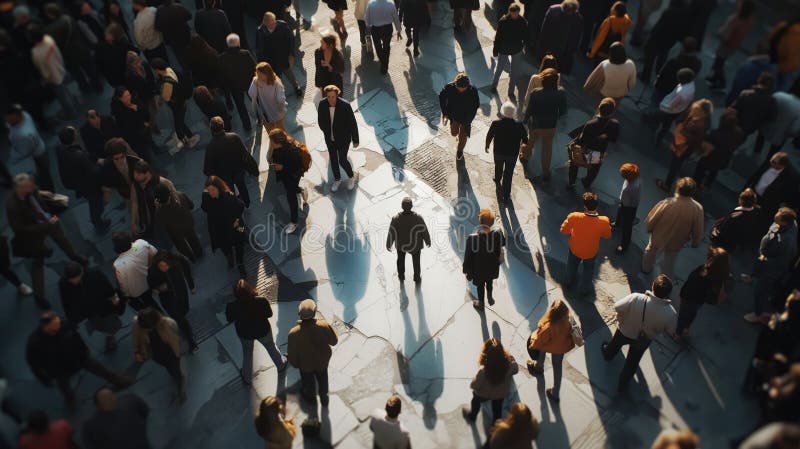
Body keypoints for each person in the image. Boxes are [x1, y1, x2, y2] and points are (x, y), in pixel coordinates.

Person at [7, 174, 88, 309]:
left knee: (62, 239)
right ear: (20, 189)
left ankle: (74, 256)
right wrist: (45, 225)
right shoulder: (12, 206)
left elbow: (34, 195)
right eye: (29, 187)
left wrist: (40, 193)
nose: (33, 187)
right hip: (35, 233)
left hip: (47, 220)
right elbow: (19, 228)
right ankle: (39, 296)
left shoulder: (31, 189)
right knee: (38, 262)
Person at [26, 311, 133, 408]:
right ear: (45, 326)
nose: (59, 326)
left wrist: (84, 348)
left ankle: (117, 380)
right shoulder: (35, 343)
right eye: (55, 325)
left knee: (98, 368)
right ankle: (70, 399)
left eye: (58, 323)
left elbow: (75, 336)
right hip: (59, 369)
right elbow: (33, 363)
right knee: (64, 386)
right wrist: (43, 378)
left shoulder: (63, 324)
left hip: (78, 357)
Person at [601, 275, 677, 393]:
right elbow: (670, 330)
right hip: (644, 339)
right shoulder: (671, 313)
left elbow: (617, 307)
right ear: (668, 294)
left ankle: (608, 354)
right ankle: (623, 384)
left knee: (614, 345)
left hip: (625, 330)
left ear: (653, 287)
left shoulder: (637, 298)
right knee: (632, 362)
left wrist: (621, 318)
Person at [226, 279, 286, 384]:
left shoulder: (231, 306)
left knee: (247, 353)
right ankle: (280, 366)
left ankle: (247, 378)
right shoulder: (261, 301)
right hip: (263, 330)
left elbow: (229, 319)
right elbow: (269, 314)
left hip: (245, 334)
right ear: (249, 289)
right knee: (270, 347)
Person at [642, 177, 704, 279]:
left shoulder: (667, 202)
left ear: (678, 188)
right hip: (677, 241)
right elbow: (698, 230)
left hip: (658, 236)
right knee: (669, 261)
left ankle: (645, 269)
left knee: (650, 252)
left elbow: (653, 218)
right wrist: (695, 242)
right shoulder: (697, 209)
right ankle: (664, 279)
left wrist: (649, 228)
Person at [744, 208, 798, 323]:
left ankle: (758, 314)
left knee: (760, 291)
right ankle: (751, 277)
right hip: (766, 257)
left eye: (777, 221)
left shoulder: (787, 241)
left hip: (770, 269)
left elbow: (781, 262)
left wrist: (764, 260)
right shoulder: (789, 223)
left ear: (785, 222)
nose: (775, 222)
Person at [59, 262, 124, 353]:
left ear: (81, 273)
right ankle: (106, 332)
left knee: (108, 323)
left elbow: (107, 286)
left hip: (100, 305)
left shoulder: (94, 274)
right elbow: (66, 301)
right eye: (71, 280)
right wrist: (71, 318)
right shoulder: (63, 283)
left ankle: (110, 336)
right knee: (97, 322)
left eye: (75, 279)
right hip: (84, 309)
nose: (74, 282)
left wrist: (113, 296)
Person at [56, 126, 109, 232]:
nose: (77, 133)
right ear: (73, 137)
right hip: (88, 184)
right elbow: (94, 172)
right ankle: (98, 223)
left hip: (75, 181)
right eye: (75, 132)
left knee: (93, 200)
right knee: (96, 203)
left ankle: (97, 220)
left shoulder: (60, 148)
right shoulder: (79, 156)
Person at [287, 299, 339, 406]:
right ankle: (324, 397)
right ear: (315, 311)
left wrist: (297, 364)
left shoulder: (293, 333)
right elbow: (334, 341)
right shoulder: (323, 325)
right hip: (322, 362)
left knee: (308, 382)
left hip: (305, 366)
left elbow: (292, 355)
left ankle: (311, 397)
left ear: (299, 314)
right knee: (323, 378)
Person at [656, 99, 713, 193]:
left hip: (685, 145)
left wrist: (683, 131)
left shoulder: (701, 122)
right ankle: (671, 181)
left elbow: (696, 138)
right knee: (677, 163)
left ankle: (667, 185)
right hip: (686, 145)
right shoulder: (703, 119)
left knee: (675, 164)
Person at [560, 192, 612, 293]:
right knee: (588, 270)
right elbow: (607, 235)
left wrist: (573, 231)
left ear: (584, 206)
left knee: (571, 265)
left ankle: (568, 281)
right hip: (591, 252)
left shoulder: (574, 216)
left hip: (575, 249)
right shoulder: (604, 221)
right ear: (597, 206)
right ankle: (584, 290)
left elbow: (563, 230)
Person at [674, 247, 730, 340]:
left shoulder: (702, 271)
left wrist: (682, 294)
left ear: (711, 260)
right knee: (692, 314)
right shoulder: (717, 278)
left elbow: (689, 282)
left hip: (688, 298)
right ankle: (686, 328)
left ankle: (678, 334)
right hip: (699, 301)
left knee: (682, 316)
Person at [148, 250, 198, 352]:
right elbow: (150, 283)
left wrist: (191, 285)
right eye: (161, 266)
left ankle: (184, 326)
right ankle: (190, 340)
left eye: (166, 266)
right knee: (179, 318)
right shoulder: (153, 271)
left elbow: (186, 269)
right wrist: (158, 288)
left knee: (184, 310)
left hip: (180, 291)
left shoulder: (177, 259)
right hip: (167, 298)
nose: (164, 268)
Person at [526, 299, 576, 401]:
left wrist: (532, 345)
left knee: (542, 348)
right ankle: (555, 393)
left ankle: (538, 367)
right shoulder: (568, 320)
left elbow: (539, 340)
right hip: (561, 347)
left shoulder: (549, 326)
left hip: (551, 344)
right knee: (557, 367)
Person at [204, 116, 259, 208]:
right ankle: (247, 203)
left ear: (211, 129)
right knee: (242, 186)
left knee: (230, 192)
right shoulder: (234, 137)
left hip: (224, 176)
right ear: (223, 125)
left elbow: (207, 170)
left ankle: (236, 206)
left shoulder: (211, 146)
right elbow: (244, 154)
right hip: (238, 171)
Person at [132, 307, 185, 402]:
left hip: (170, 352)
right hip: (154, 353)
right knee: (168, 366)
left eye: (150, 327)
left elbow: (175, 338)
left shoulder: (169, 323)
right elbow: (135, 337)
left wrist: (177, 353)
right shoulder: (137, 323)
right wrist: (136, 351)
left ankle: (179, 383)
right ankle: (175, 375)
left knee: (175, 369)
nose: (148, 330)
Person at [523, 68, 567, 182]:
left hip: (536, 125)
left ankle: (525, 157)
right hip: (550, 126)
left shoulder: (535, 93)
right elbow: (563, 111)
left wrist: (525, 120)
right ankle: (545, 172)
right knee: (547, 149)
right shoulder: (561, 93)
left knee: (530, 141)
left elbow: (529, 110)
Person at [567, 98, 619, 190]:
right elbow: (614, 139)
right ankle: (587, 182)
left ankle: (571, 182)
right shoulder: (614, 124)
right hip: (598, 152)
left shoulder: (590, 123)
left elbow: (582, 140)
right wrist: (605, 137)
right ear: (612, 111)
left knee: (574, 163)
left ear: (599, 108)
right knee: (594, 169)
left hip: (586, 151)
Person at [462, 338, 518, 424]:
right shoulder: (509, 365)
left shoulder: (483, 371)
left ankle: (472, 415)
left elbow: (474, 385)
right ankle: (495, 427)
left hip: (484, 394)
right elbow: (516, 369)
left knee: (476, 399)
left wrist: (473, 383)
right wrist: (512, 359)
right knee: (497, 410)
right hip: (500, 394)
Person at [151, 58, 200, 154]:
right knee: (180, 121)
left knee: (178, 126)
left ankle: (186, 141)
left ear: (157, 70)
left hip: (178, 105)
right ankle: (189, 135)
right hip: (182, 101)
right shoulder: (171, 70)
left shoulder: (167, 83)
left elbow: (166, 98)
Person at [201, 176, 247, 277]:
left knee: (239, 245)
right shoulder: (206, 197)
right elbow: (204, 207)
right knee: (225, 246)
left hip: (233, 227)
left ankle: (240, 262)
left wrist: (237, 219)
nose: (211, 193)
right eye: (208, 190)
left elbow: (241, 206)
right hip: (219, 229)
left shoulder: (228, 196)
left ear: (219, 188)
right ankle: (230, 257)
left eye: (213, 190)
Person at [28, 26, 77, 118]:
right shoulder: (49, 40)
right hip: (60, 68)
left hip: (52, 76)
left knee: (62, 96)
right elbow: (58, 54)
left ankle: (71, 112)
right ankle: (73, 102)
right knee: (65, 89)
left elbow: (41, 68)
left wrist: (46, 78)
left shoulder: (35, 52)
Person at [705, 0, 756, 89]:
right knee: (721, 61)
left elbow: (726, 31)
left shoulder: (736, 19)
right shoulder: (748, 22)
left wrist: (720, 33)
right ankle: (714, 78)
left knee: (719, 62)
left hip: (726, 44)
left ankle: (721, 81)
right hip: (733, 45)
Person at [318, 85, 360, 191]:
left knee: (342, 159)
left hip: (343, 139)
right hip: (329, 138)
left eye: (333, 96)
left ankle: (351, 177)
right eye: (328, 97)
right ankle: (337, 179)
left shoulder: (345, 105)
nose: (331, 99)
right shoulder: (322, 104)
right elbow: (320, 121)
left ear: (337, 95)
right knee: (333, 159)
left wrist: (355, 140)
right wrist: (327, 132)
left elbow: (352, 123)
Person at [269, 129, 311, 234]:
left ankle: (294, 222)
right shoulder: (279, 148)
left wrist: (282, 167)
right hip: (285, 175)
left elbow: (297, 167)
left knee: (291, 197)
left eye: (272, 142)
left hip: (293, 176)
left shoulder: (292, 151)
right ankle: (301, 190)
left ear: (279, 142)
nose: (271, 144)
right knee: (289, 189)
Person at [463, 209, 506, 309]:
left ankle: (481, 304)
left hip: (479, 270)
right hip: (492, 268)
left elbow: (467, 258)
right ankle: (490, 297)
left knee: (480, 286)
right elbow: (503, 243)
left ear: (480, 222)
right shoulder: (498, 234)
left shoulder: (472, 239)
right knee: (489, 282)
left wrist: (466, 270)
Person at [486, 101, 528, 203]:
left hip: (498, 152)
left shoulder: (496, 123)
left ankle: (497, 178)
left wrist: (486, 145)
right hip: (512, 154)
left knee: (498, 166)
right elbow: (526, 140)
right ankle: (506, 196)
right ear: (514, 113)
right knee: (508, 175)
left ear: (502, 112)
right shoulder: (519, 125)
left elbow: (489, 136)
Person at [4, 104, 53, 191]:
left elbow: (25, 152)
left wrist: (14, 158)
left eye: (10, 119)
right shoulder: (25, 115)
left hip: (37, 157)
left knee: (44, 180)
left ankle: (52, 199)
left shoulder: (24, 134)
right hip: (39, 149)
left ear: (17, 116)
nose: (8, 121)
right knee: (45, 177)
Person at [639, 0, 690, 83]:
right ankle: (659, 75)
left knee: (650, 56)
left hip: (658, 37)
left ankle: (646, 75)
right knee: (662, 56)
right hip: (670, 40)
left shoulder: (669, 12)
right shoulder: (685, 15)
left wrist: (651, 34)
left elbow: (659, 26)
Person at [83, 388, 152, 449]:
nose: (111, 401)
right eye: (107, 400)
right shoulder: (90, 426)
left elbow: (145, 411)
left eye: (111, 398)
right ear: (98, 406)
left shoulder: (131, 400)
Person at [692, 107, 743, 189]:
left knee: (700, 170)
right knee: (714, 171)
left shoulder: (715, 134)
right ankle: (707, 185)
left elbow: (705, 143)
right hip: (723, 159)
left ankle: (695, 185)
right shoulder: (738, 133)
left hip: (710, 158)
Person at [153, 183, 204, 262]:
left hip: (175, 233)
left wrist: (157, 208)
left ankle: (191, 258)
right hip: (188, 224)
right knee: (193, 239)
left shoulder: (160, 212)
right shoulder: (180, 195)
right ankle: (199, 253)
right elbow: (191, 206)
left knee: (181, 246)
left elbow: (161, 223)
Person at [255, 12, 302, 95]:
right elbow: (259, 49)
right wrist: (262, 64)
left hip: (283, 56)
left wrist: (291, 54)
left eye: (274, 22)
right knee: (277, 77)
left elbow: (290, 39)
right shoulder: (260, 32)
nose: (274, 25)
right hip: (271, 60)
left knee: (288, 72)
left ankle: (296, 86)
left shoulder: (282, 25)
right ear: (265, 23)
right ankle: (281, 92)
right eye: (270, 24)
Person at [386, 197, 431, 283]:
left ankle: (401, 275)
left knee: (400, 260)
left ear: (401, 206)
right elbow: (424, 230)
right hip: (415, 245)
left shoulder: (395, 219)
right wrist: (427, 240)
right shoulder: (418, 218)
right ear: (411, 206)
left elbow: (391, 233)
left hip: (401, 245)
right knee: (416, 262)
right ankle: (417, 277)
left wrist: (389, 244)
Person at [744, 152, 798, 222]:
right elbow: (757, 174)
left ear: (781, 165)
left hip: (765, 204)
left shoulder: (791, 177)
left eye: (774, 162)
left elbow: (788, 196)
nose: (770, 163)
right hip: (753, 194)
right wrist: (746, 187)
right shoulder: (770, 162)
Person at [112, 231, 159, 311]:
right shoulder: (142, 244)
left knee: (146, 302)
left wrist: (126, 295)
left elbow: (124, 286)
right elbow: (155, 254)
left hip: (138, 291)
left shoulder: (117, 265)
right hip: (153, 280)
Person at [731, 72, 777, 151]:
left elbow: (734, 107)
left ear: (759, 80)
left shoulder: (746, 94)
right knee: (739, 141)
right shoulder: (771, 101)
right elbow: (771, 118)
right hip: (751, 127)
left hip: (736, 122)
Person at [651, 37, 702, 109]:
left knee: (655, 103)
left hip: (666, 89)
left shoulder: (674, 61)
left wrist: (657, 84)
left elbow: (662, 75)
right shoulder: (697, 63)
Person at [218, 33, 256, 131]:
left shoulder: (221, 58)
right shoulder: (245, 53)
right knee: (255, 101)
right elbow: (254, 68)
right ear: (238, 43)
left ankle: (247, 126)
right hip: (248, 83)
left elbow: (222, 76)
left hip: (234, 87)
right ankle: (260, 118)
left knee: (240, 107)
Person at [439, 73, 480, 161]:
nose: (461, 90)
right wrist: (445, 113)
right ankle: (458, 134)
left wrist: (469, 120)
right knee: (454, 133)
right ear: (455, 84)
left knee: (463, 136)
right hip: (454, 116)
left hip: (466, 118)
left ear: (467, 86)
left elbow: (476, 105)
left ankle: (460, 150)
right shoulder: (449, 87)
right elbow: (441, 98)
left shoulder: (473, 90)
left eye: (463, 89)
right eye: (459, 89)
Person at [709, 188, 764, 252]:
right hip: (734, 245)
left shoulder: (735, 216)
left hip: (723, 244)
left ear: (742, 201)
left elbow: (723, 231)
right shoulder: (756, 211)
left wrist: (714, 230)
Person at [131, 160, 176, 238]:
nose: (135, 176)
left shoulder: (162, 182)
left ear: (147, 173)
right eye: (134, 173)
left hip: (162, 219)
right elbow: (134, 202)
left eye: (138, 174)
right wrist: (134, 223)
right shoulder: (136, 184)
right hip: (146, 220)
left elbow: (174, 197)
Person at [535, 0, 583, 75]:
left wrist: (571, 52)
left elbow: (576, 39)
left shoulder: (577, 18)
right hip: (551, 49)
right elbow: (544, 32)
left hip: (563, 52)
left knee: (555, 73)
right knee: (545, 72)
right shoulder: (554, 11)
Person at [491, 3, 527, 99]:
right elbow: (498, 37)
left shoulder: (522, 21)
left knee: (514, 71)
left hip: (516, 49)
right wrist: (495, 50)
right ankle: (494, 86)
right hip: (504, 49)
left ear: (519, 12)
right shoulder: (503, 21)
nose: (515, 15)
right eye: (513, 13)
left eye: (516, 13)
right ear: (509, 12)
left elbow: (525, 35)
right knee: (499, 68)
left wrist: (523, 45)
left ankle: (510, 92)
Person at [652, 68, 696, 144]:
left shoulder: (681, 93)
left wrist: (662, 107)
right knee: (666, 125)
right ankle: (659, 138)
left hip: (668, 110)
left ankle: (654, 132)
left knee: (656, 116)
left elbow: (671, 106)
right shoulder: (691, 85)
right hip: (678, 111)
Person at [110, 86, 154, 163]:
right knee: (144, 154)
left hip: (143, 131)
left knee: (148, 146)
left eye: (129, 95)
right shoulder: (119, 112)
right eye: (125, 97)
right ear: (120, 98)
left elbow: (145, 111)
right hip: (134, 137)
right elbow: (130, 124)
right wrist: (135, 111)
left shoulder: (134, 100)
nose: (128, 98)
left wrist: (138, 110)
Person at [125, 52, 160, 135]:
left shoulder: (145, 64)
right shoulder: (129, 76)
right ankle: (152, 128)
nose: (139, 63)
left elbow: (151, 78)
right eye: (136, 63)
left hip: (150, 93)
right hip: (142, 98)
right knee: (148, 113)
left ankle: (153, 124)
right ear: (130, 65)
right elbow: (132, 90)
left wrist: (155, 90)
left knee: (154, 110)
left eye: (139, 60)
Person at [249, 62, 288, 133]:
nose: (258, 76)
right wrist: (254, 83)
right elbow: (251, 94)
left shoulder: (276, 83)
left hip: (275, 112)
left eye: (260, 74)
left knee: (281, 132)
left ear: (267, 73)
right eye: (257, 73)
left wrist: (281, 107)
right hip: (266, 114)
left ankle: (284, 143)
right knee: (273, 133)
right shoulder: (257, 81)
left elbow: (281, 100)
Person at [759, 89, 800, 157]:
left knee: (760, 139)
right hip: (780, 136)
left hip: (765, 126)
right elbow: (794, 130)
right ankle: (766, 164)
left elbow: (765, 108)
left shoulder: (779, 94)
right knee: (772, 153)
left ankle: (755, 154)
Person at [94, 24, 137, 88]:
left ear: (114, 35)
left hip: (122, 76)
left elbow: (136, 51)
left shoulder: (122, 45)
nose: (105, 35)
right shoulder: (101, 47)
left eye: (108, 34)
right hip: (116, 77)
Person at [364, 0, 401, 75]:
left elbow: (367, 18)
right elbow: (396, 17)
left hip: (375, 29)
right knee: (386, 46)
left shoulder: (371, 3)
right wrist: (398, 30)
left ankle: (383, 62)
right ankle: (385, 65)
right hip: (387, 29)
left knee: (378, 47)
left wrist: (369, 25)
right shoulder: (391, 3)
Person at [614, 163, 640, 254]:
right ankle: (617, 224)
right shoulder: (637, 180)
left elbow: (626, 202)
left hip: (628, 207)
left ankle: (624, 245)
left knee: (627, 226)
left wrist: (622, 203)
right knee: (620, 213)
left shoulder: (629, 188)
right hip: (631, 204)